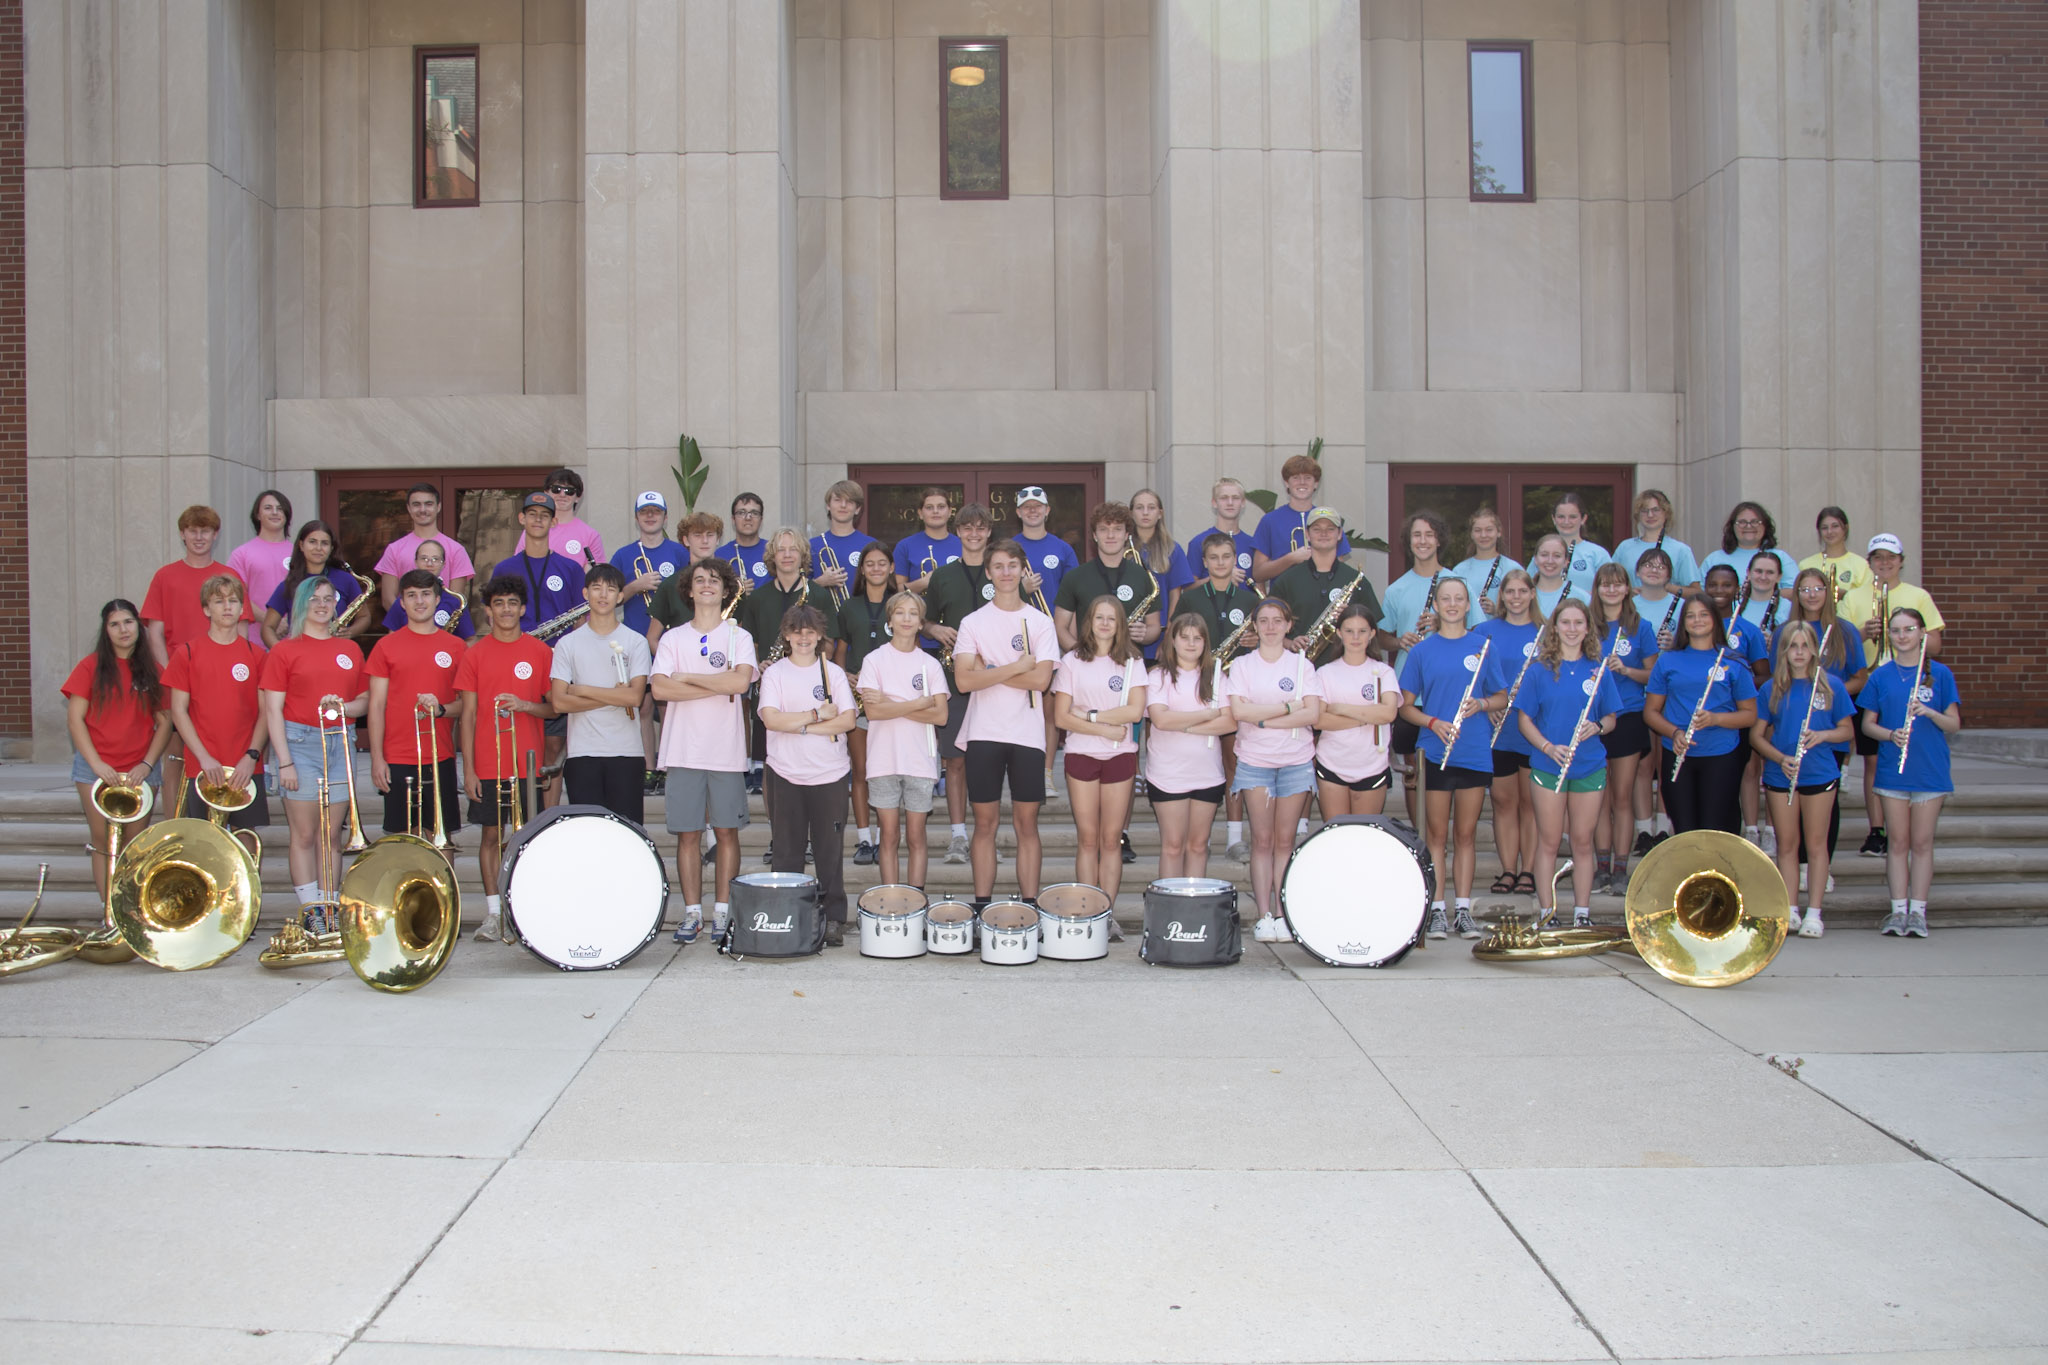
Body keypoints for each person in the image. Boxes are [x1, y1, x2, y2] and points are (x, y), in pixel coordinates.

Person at [648, 559, 757, 943]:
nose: (707, 585)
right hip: (682, 750)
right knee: (688, 835)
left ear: (726, 590)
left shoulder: (737, 637)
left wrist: (689, 677)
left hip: (725, 751)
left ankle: (723, 913)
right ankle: (692, 913)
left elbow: (741, 682)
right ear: (689, 591)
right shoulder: (673, 639)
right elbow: (660, 689)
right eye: (700, 580)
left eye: (715, 580)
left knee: (727, 832)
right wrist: (718, 683)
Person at [954, 539, 1059, 906]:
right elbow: (964, 681)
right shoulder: (973, 622)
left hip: (1027, 736)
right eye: (998, 566)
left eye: (1013, 565)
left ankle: (1030, 905)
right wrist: (1016, 667)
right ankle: (983, 904)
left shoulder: (1041, 623)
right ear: (988, 573)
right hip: (984, 733)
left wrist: (989, 670)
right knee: (984, 825)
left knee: (1026, 825)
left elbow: (1041, 681)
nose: (1006, 572)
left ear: (1023, 569)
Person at [261, 577, 369, 932]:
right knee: (304, 835)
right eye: (315, 599)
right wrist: (285, 761)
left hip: (339, 741)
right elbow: (273, 711)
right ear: (302, 604)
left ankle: (329, 905)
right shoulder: (284, 651)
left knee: (331, 835)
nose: (322, 605)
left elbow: (365, 701)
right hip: (299, 743)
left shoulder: (350, 650)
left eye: (328, 599)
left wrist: (343, 706)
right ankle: (311, 910)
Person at [456, 576, 558, 942]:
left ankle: (525, 910)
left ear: (523, 608)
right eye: (499, 603)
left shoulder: (540, 651)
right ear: (488, 611)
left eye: (513, 603)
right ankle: (494, 913)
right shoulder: (475, 654)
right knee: (490, 837)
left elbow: (553, 708)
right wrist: (467, 768)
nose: (506, 610)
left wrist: (526, 705)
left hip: (526, 765)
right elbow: (467, 717)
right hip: (487, 763)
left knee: (527, 838)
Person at [1398, 577, 1499, 938]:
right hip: (1435, 749)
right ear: (1435, 606)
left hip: (1473, 750)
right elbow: (1405, 707)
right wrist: (1433, 722)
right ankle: (1438, 909)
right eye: (1446, 599)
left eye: (1459, 598)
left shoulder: (1483, 646)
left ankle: (1464, 911)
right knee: (1437, 835)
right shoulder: (1423, 650)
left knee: (1466, 835)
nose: (1453, 604)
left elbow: (1501, 696)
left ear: (1467, 604)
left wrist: (1483, 704)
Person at [1515, 599, 1623, 928]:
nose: (1572, 629)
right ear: (1555, 627)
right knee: (1548, 841)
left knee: (1582, 841)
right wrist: (1547, 748)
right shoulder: (1538, 671)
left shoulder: (1598, 669)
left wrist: (1599, 726)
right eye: (1566, 623)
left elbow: (1611, 717)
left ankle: (1582, 914)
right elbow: (1523, 720)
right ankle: (1548, 912)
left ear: (1588, 628)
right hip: (1549, 766)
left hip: (1589, 765)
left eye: (1579, 623)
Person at [757, 603, 859, 945]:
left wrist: (799, 726)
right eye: (797, 632)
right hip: (785, 773)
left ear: (820, 636)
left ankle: (833, 919)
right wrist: (816, 715)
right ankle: (787, 915)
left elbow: (846, 720)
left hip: (829, 773)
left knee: (830, 851)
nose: (804, 638)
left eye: (811, 632)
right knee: (787, 851)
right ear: (787, 635)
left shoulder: (832, 673)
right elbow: (771, 719)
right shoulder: (775, 674)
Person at [1839, 533, 1946, 859]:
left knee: (1909, 754)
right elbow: (1839, 647)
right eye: (1877, 558)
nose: (1884, 564)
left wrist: (1908, 636)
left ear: (1901, 561)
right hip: (1871, 683)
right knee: (1871, 758)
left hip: (1907, 685)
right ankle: (1878, 829)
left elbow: (1937, 646)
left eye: (1890, 557)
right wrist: (1862, 634)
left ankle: (1909, 825)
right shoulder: (1855, 597)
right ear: (1869, 563)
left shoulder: (1918, 595)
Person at [1225, 597, 1323, 941]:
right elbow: (1239, 712)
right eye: (1263, 620)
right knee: (1262, 841)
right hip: (1255, 762)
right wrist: (1287, 707)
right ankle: (1264, 914)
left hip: (1295, 761)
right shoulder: (1242, 666)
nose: (1270, 627)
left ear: (1288, 625)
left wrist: (1264, 717)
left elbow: (1312, 714)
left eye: (1276, 620)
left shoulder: (1302, 667)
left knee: (1285, 840)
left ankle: (1283, 914)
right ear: (1254, 626)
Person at [1751, 622, 1857, 939]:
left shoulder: (1830, 686)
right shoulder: (1772, 689)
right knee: (1787, 845)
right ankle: (1790, 910)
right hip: (1782, 773)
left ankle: (1814, 913)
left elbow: (1847, 731)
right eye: (1792, 646)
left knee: (1815, 845)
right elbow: (1757, 737)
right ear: (1783, 650)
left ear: (1814, 649)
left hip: (1820, 772)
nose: (1799, 652)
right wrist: (1779, 758)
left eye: (1804, 646)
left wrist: (1822, 735)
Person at [1860, 608, 1960, 938]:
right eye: (1896, 630)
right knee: (1898, 842)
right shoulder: (1881, 676)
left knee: (1922, 842)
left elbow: (1953, 723)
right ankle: (1897, 911)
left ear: (1922, 634)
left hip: (1929, 771)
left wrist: (1929, 712)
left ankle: (1918, 913)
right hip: (1893, 772)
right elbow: (1867, 725)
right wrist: (1891, 735)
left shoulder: (1940, 675)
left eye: (1909, 629)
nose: (1902, 636)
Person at [64, 600, 171, 900]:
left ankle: (129, 913)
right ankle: (108, 915)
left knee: (133, 844)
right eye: (114, 624)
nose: (123, 630)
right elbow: (75, 720)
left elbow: (165, 722)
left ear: (138, 625)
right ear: (106, 630)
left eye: (128, 622)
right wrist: (97, 765)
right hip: (96, 770)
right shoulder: (90, 667)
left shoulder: (154, 670)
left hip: (140, 771)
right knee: (103, 841)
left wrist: (148, 765)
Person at [1053, 597, 1148, 921]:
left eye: (1111, 618)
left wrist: (1091, 716)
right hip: (1082, 755)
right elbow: (1062, 718)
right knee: (1088, 838)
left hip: (1120, 758)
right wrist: (1105, 728)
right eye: (1098, 617)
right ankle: (1086, 913)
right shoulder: (1072, 661)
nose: (1105, 623)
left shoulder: (1133, 662)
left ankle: (1106, 915)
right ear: (1089, 621)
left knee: (1111, 839)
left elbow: (1134, 711)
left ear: (1120, 623)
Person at [1170, 532, 1262, 860]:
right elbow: (1175, 637)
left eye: (1226, 557)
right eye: (1214, 558)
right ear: (1205, 562)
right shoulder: (1191, 599)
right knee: (1202, 760)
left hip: (1237, 687)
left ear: (1234, 559)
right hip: (1200, 686)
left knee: (1233, 762)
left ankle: (1235, 837)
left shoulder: (1250, 600)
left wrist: (1256, 641)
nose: (1220, 563)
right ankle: (1201, 836)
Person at [164, 575, 270, 857]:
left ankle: (247, 900)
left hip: (244, 765)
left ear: (242, 609)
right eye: (219, 601)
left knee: (246, 839)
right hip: (202, 765)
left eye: (233, 601)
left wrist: (251, 756)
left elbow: (265, 712)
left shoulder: (257, 656)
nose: (227, 607)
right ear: (206, 609)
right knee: (202, 843)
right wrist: (203, 757)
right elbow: (178, 711)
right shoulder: (186, 653)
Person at [1779, 566, 1869, 889]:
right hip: (1793, 727)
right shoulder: (1785, 630)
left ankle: (1820, 865)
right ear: (1797, 594)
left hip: (1828, 723)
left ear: (1828, 593)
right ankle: (1798, 864)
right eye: (1805, 589)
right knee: (1792, 799)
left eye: (1818, 589)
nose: (1812, 595)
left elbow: (1861, 675)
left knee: (1825, 800)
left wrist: (1833, 691)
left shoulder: (1844, 630)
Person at [856, 590, 950, 890]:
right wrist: (919, 703)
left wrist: (891, 702)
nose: (906, 618)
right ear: (890, 619)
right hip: (884, 759)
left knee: (916, 836)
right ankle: (892, 898)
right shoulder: (874, 660)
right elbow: (873, 711)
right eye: (900, 612)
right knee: (889, 834)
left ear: (922, 622)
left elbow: (941, 717)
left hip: (920, 761)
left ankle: (916, 899)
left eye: (913, 613)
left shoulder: (930, 665)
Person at [1644, 591, 1759, 835]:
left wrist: (1716, 718)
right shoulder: (1668, 661)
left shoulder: (1733, 661)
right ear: (1683, 622)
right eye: (1691, 616)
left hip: (1721, 754)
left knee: (1715, 828)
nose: (1697, 620)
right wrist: (1674, 733)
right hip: (1678, 753)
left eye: (1704, 615)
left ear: (1716, 620)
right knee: (1685, 829)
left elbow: (1749, 715)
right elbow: (1651, 712)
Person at [366, 570, 466, 844]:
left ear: (437, 600)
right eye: (411, 595)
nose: (419, 601)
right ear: (401, 602)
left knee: (441, 839)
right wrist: (377, 758)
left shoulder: (457, 647)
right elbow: (376, 706)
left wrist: (441, 709)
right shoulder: (386, 646)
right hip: (397, 757)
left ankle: (444, 889)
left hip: (440, 757)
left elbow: (467, 706)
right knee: (403, 841)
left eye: (425, 594)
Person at [548, 564, 653, 823]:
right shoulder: (568, 644)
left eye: (611, 589)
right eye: (596, 588)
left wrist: (581, 690)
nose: (603, 594)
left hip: (626, 753)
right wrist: (613, 696)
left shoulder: (635, 641)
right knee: (589, 835)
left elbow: (634, 698)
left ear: (620, 596)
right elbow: (560, 702)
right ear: (585, 593)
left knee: (627, 834)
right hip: (583, 754)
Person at [926, 506, 998, 862]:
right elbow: (924, 620)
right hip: (955, 679)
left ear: (988, 533)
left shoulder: (1001, 571)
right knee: (954, 761)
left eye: (980, 528)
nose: (973, 534)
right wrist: (934, 628)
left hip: (997, 683)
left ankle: (988, 835)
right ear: (958, 532)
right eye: (967, 528)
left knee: (989, 760)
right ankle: (958, 836)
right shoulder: (943, 575)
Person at [1145, 614, 1234, 880]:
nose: (1191, 643)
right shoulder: (1158, 676)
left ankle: (1193, 907)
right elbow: (1161, 719)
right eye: (1185, 637)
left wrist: (1184, 726)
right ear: (1172, 640)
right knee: (1172, 846)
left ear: (1205, 642)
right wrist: (1206, 715)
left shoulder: (1216, 676)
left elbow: (1229, 722)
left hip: (1206, 773)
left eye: (1198, 638)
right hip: (1168, 774)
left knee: (1197, 846)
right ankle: (1170, 911)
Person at [1588, 563, 1660, 894]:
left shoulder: (1640, 627)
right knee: (1599, 796)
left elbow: (1654, 677)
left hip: (1628, 715)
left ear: (1628, 589)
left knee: (1621, 795)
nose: (1612, 590)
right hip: (1593, 717)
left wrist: (1626, 670)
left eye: (1618, 585)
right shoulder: (1588, 625)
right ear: (1597, 588)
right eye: (1606, 585)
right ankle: (1601, 866)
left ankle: (1620, 867)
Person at [1478, 569, 1543, 896]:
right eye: (1510, 591)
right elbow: (1475, 677)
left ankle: (1528, 871)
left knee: (1530, 804)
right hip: (1497, 728)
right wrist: (1491, 703)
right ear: (1501, 596)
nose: (1516, 597)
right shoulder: (1485, 631)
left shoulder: (1546, 633)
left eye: (1522, 591)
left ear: (1532, 594)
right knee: (1503, 802)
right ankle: (1507, 870)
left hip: (1532, 730)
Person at [837, 542, 898, 865]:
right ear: (862, 570)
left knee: (886, 772)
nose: (875, 569)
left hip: (893, 702)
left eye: (881, 563)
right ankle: (864, 839)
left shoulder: (901, 604)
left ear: (891, 568)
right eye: (869, 564)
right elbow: (840, 651)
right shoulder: (850, 607)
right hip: (859, 699)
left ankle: (886, 836)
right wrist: (842, 676)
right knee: (860, 770)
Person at [1313, 601, 1401, 818]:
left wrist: (1341, 708)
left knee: (1363, 838)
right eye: (1349, 631)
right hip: (1331, 763)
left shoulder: (1383, 672)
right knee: (1336, 835)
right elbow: (1319, 720)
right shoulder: (1325, 673)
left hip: (1372, 763)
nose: (1355, 637)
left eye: (1362, 631)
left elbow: (1389, 713)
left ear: (1372, 633)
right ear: (1339, 633)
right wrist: (1368, 717)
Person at [142, 505, 252, 669]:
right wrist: (167, 670)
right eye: (193, 531)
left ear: (215, 534)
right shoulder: (164, 576)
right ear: (182, 534)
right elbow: (155, 632)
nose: (199, 537)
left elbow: (241, 627)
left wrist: (232, 664)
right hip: (178, 666)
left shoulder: (230, 576)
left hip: (221, 665)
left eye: (205, 531)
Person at [1271, 505, 1378, 667]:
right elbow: (1267, 627)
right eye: (1316, 529)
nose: (1323, 534)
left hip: (1346, 670)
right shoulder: (1287, 580)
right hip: (1297, 669)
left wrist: (1351, 616)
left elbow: (1374, 630)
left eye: (1330, 529)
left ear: (1340, 534)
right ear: (1307, 534)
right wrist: (1289, 643)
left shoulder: (1356, 580)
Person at [1382, 510, 1483, 678]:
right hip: (1408, 681)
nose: (1423, 541)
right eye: (1416, 535)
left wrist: (1446, 625)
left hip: (1450, 677)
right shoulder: (1395, 589)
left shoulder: (1460, 584)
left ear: (1438, 541)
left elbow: (1479, 632)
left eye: (1430, 535)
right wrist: (1399, 642)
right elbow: (1380, 637)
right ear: (1409, 541)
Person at [1055, 500, 1162, 655]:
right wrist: (1078, 655)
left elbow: (1154, 626)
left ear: (1126, 535)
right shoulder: (1074, 577)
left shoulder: (1142, 576)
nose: (1110, 535)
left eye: (1117, 529)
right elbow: (1060, 627)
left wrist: (1144, 634)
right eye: (1104, 529)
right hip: (1088, 664)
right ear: (1095, 535)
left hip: (1130, 665)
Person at [489, 493, 586, 634]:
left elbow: (580, 620)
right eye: (532, 514)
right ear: (522, 518)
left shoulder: (572, 568)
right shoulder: (504, 569)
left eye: (545, 515)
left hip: (560, 651)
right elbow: (492, 615)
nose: (538, 519)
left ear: (553, 522)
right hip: (518, 650)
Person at [263, 520, 370, 647]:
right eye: (312, 542)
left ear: (331, 548)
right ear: (301, 545)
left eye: (324, 543)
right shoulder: (289, 584)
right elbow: (267, 628)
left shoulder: (346, 580)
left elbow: (364, 617)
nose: (318, 548)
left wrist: (350, 632)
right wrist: (283, 655)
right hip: (301, 654)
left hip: (336, 652)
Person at [1251, 451, 1352, 585]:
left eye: (1308, 478)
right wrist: (1291, 559)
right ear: (1287, 483)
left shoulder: (1329, 521)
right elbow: (1258, 574)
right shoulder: (1270, 521)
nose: (1302, 482)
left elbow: (1339, 570)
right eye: (1296, 478)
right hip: (1284, 600)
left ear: (1316, 483)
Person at [374, 483, 476, 607]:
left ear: (438, 507)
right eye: (416, 504)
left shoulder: (456, 550)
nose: (422, 510)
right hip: (404, 624)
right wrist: (413, 623)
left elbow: (455, 599)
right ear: (408, 508)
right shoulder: (394, 549)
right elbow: (388, 599)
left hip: (443, 625)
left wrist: (434, 625)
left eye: (429, 504)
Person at [612, 490, 689, 640]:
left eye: (656, 511)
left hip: (674, 637)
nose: (650, 515)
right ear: (636, 518)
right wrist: (636, 586)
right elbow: (610, 601)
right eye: (644, 511)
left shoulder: (681, 552)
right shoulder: (622, 555)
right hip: (633, 637)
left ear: (665, 518)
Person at [1701, 501, 1799, 607]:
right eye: (1742, 522)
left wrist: (1755, 595)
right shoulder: (1714, 559)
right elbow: (1700, 593)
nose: (1748, 526)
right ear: (1732, 526)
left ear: (1765, 526)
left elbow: (1794, 591)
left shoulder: (1781, 557)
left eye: (1755, 522)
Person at [228, 490, 294, 646]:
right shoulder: (241, 554)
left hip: (295, 640)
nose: (275, 512)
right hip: (255, 641)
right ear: (257, 515)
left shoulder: (301, 553)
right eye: (268, 508)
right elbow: (236, 596)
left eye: (279, 508)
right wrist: (270, 621)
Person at [377, 540, 476, 641]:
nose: (429, 564)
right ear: (416, 562)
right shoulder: (402, 601)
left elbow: (470, 639)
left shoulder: (455, 602)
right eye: (424, 558)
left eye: (435, 559)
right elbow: (391, 639)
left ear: (443, 564)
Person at [1130, 488, 1196, 630]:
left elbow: (1175, 595)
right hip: (1127, 629)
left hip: (1161, 629)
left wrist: (1169, 633)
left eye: (1151, 508)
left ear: (1160, 514)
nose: (1145, 512)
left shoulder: (1172, 549)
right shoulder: (1122, 548)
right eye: (1139, 508)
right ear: (1131, 514)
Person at [1613, 489, 1701, 588]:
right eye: (1644, 510)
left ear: (1666, 513)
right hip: (1633, 603)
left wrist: (1666, 588)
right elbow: (1611, 582)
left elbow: (1695, 591)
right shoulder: (1625, 547)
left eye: (1656, 510)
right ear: (1638, 515)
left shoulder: (1681, 550)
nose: (1650, 515)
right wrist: (1629, 592)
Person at [809, 479, 878, 604]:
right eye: (837, 500)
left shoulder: (871, 545)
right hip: (821, 619)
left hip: (861, 618)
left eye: (849, 501)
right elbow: (798, 590)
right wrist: (821, 582)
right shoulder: (812, 545)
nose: (843, 505)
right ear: (828, 506)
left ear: (857, 509)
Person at [1014, 485, 1079, 611]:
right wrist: (1021, 590)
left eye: (1038, 506)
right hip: (1016, 625)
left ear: (1047, 510)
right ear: (1019, 513)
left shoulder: (1063, 549)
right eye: (1027, 507)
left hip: (1054, 626)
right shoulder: (1008, 549)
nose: (1032, 510)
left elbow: (1073, 595)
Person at [1184, 477, 1258, 588]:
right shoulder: (1199, 542)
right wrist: (1220, 578)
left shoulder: (1252, 543)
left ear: (1243, 503)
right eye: (1224, 498)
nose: (1230, 503)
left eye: (1235, 498)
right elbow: (1188, 589)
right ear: (1214, 502)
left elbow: (1259, 587)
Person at [893, 486, 962, 592]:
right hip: (918, 608)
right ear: (920, 513)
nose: (935, 511)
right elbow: (895, 591)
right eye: (929, 507)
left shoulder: (963, 545)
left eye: (941, 507)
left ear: (949, 512)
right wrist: (922, 584)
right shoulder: (904, 546)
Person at [1450, 505, 1512, 617]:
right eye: (1478, 530)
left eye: (1489, 530)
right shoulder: (1459, 570)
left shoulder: (1512, 568)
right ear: (1471, 534)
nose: (1483, 535)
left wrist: (1498, 611)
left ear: (1499, 532)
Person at [1800, 506, 1872, 602]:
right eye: (1824, 528)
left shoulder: (1862, 565)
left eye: (1835, 526)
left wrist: (1844, 594)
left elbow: (1867, 598)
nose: (1830, 532)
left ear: (1845, 528)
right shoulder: (1806, 565)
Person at [541, 467, 605, 566]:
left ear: (578, 497)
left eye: (569, 490)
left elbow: (598, 577)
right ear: (546, 493)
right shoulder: (534, 529)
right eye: (556, 489)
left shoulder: (590, 535)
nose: (562, 494)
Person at [717, 491, 770, 589]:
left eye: (754, 513)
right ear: (733, 519)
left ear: (761, 519)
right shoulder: (719, 556)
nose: (748, 518)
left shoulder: (773, 551)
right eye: (741, 513)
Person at [1529, 533, 1590, 618]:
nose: (1550, 561)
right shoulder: (1523, 595)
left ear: (1566, 561)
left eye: (1557, 556)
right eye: (1544, 555)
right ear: (1535, 559)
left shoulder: (1582, 598)